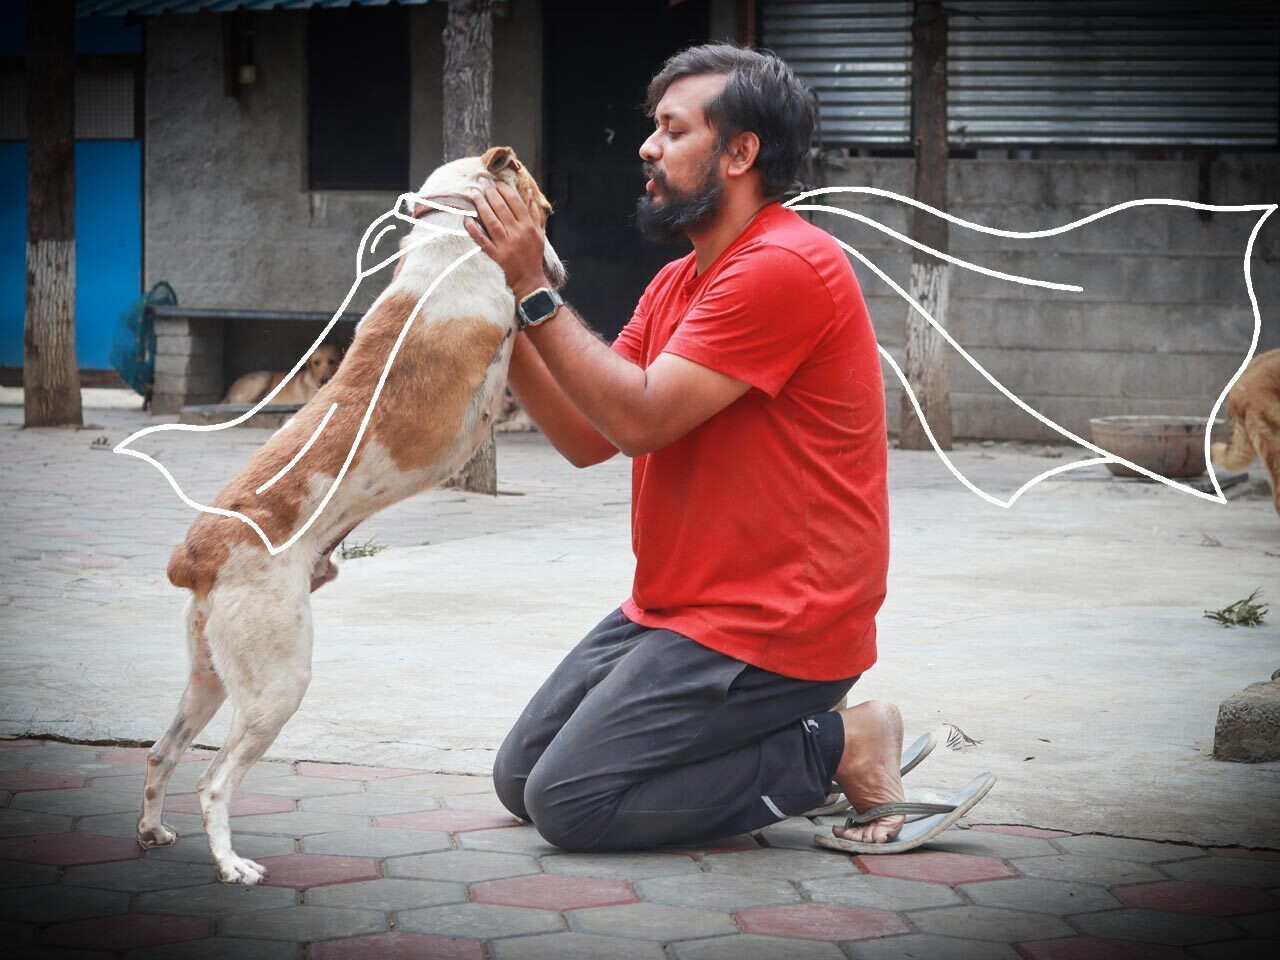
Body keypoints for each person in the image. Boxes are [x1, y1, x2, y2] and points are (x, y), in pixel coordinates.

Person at [463, 42, 903, 853]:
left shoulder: (784, 264)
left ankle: (842, 744)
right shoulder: (679, 282)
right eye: (653, 129)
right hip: (678, 610)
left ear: (740, 154)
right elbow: (589, 438)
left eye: (672, 130)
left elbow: (638, 420)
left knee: (571, 803)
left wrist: (532, 287)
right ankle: (782, 745)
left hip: (777, 625)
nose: (647, 147)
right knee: (519, 780)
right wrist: (499, 303)